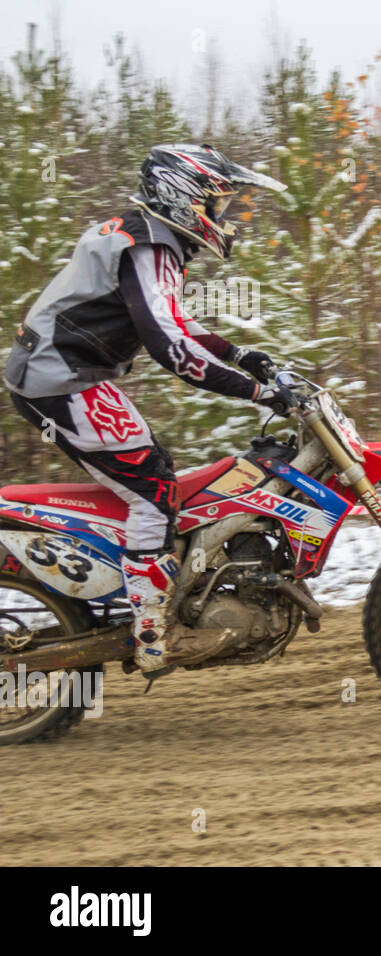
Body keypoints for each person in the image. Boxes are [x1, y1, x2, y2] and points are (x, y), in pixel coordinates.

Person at [4, 143, 295, 677]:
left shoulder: (148, 236)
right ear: (185, 198)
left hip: (64, 373)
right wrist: (258, 393)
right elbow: (171, 349)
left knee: (151, 470)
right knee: (154, 492)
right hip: (58, 380)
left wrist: (238, 354)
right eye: (217, 205)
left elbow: (169, 324)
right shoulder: (150, 247)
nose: (223, 218)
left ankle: (143, 586)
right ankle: (154, 635)